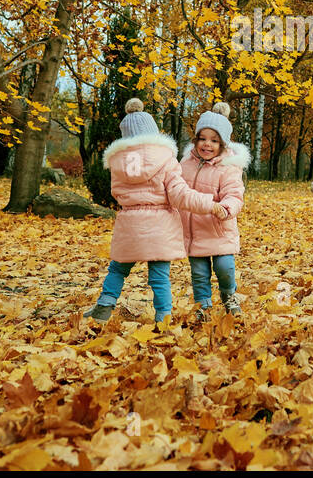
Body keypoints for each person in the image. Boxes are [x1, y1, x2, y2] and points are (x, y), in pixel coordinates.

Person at [82, 98, 231, 325]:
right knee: (160, 278)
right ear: (154, 133)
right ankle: (163, 316)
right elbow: (180, 195)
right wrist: (209, 203)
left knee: (117, 269)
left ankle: (105, 304)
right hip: (159, 226)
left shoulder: (118, 163)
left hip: (128, 225)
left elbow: (115, 193)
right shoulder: (166, 160)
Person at [179, 102, 248, 323]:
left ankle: (228, 295)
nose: (207, 144)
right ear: (196, 139)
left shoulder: (228, 167)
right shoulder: (186, 163)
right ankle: (204, 306)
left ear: (223, 144)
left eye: (214, 140)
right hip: (194, 232)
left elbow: (234, 194)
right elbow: (176, 189)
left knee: (224, 267)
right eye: (203, 138)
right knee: (199, 274)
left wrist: (226, 208)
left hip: (218, 228)